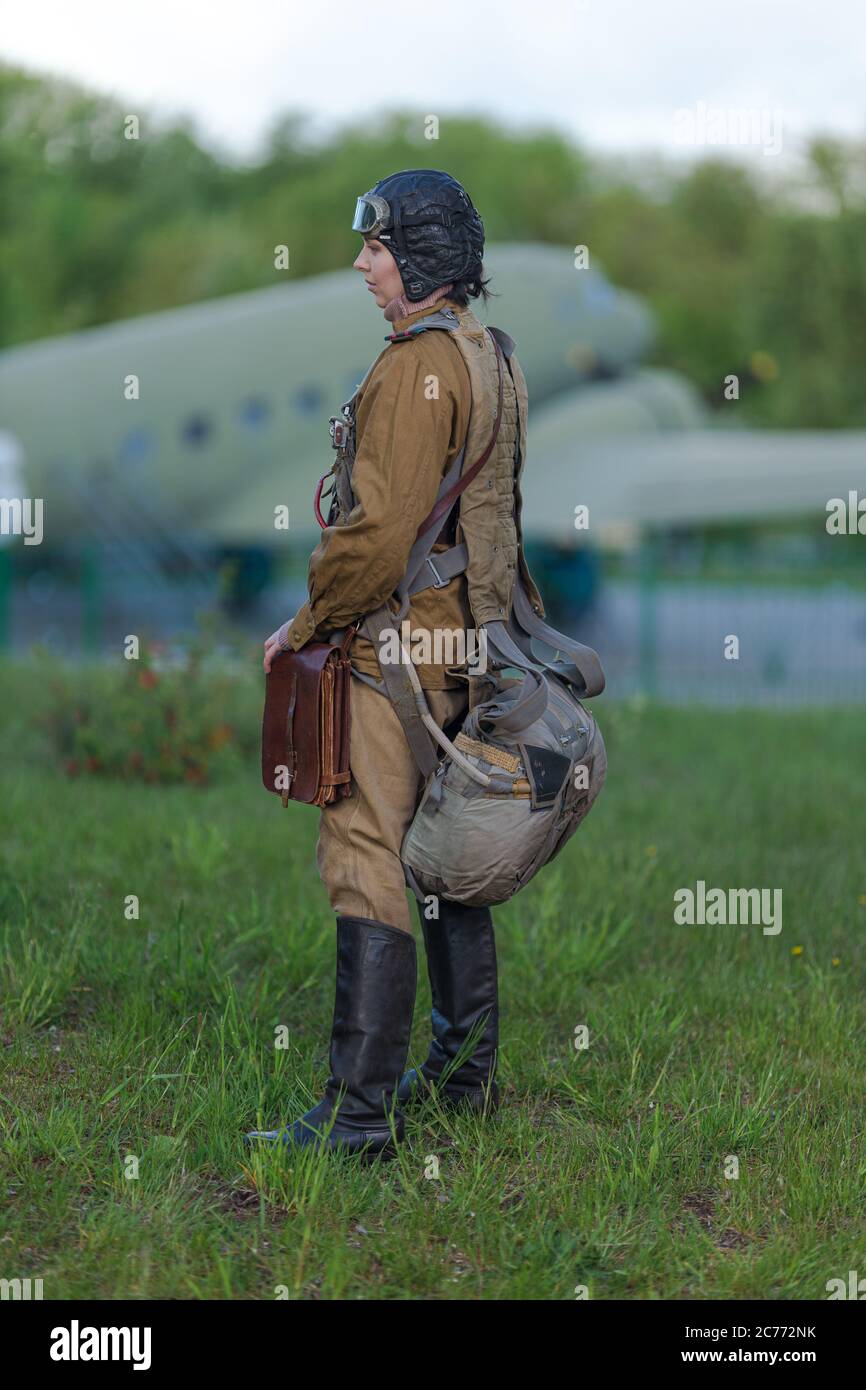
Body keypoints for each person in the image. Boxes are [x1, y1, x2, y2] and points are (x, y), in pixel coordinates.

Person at [246, 169, 545, 1160]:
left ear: (416, 257)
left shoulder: (413, 366)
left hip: (397, 652)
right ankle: (458, 1082)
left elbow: (373, 537)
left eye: (376, 249)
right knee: (442, 860)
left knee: (363, 854)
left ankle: (356, 1118)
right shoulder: (487, 353)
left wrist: (303, 625)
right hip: (469, 645)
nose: (362, 266)